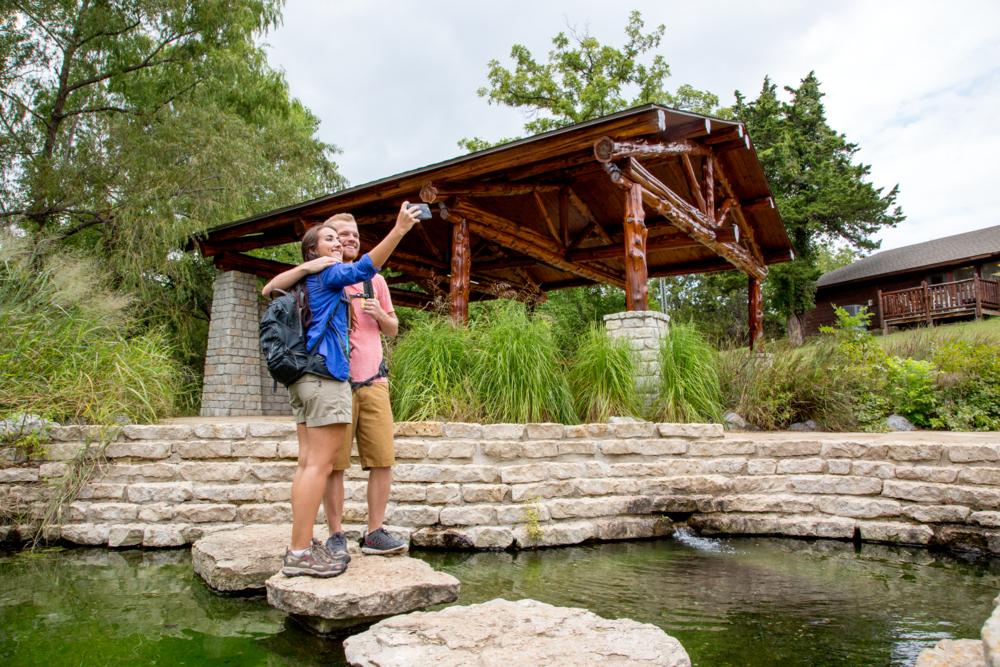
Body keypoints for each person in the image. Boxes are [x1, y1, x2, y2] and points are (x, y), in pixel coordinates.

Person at [261, 202, 420, 577]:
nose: (340, 242)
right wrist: (398, 229)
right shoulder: (330, 274)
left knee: (308, 464)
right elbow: (367, 265)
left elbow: (272, 289)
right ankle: (302, 551)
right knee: (320, 466)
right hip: (327, 377)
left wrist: (308, 265)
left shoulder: (311, 275)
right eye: (331, 237)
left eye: (344, 237)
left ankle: (301, 546)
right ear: (314, 249)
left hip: (309, 377)